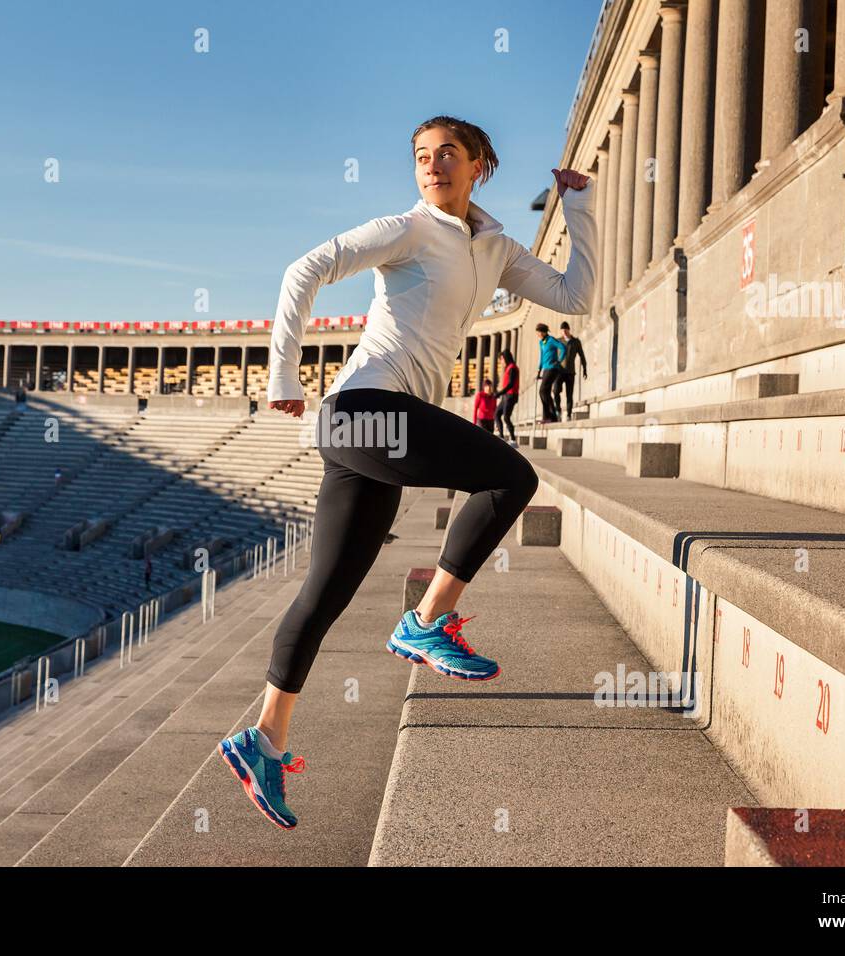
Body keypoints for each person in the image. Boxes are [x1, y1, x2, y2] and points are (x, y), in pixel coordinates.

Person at [218, 115, 598, 830]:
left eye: (447, 155)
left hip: (367, 433)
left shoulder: (497, 247)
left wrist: (577, 208)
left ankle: (264, 737)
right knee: (510, 478)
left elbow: (574, 296)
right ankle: (426, 623)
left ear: (480, 164)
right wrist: (282, 374)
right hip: (363, 412)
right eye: (421, 157)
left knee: (323, 596)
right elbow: (305, 268)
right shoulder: (410, 228)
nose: (432, 167)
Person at [556, 321, 587, 421]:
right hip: (559, 372)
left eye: (565, 330)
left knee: (569, 394)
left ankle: (569, 414)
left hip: (570, 372)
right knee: (555, 391)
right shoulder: (558, 341)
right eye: (562, 331)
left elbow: (582, 355)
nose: (564, 332)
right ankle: (558, 411)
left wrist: (585, 369)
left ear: (569, 330)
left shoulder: (575, 341)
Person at [536, 323, 566, 423]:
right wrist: (539, 371)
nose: (538, 334)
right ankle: (548, 417)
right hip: (545, 369)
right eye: (537, 332)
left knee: (542, 391)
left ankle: (551, 416)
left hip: (553, 368)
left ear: (544, 332)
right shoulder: (541, 342)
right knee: (545, 392)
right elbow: (541, 357)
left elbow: (563, 348)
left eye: (539, 332)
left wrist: (559, 360)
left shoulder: (551, 340)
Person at [494, 348, 519, 446]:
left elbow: (511, 384)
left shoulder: (512, 368)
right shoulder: (509, 368)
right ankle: (501, 437)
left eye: (502, 360)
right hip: (506, 396)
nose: (501, 362)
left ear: (506, 358)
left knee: (506, 417)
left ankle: (513, 440)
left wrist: (499, 393)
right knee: (497, 414)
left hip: (511, 396)